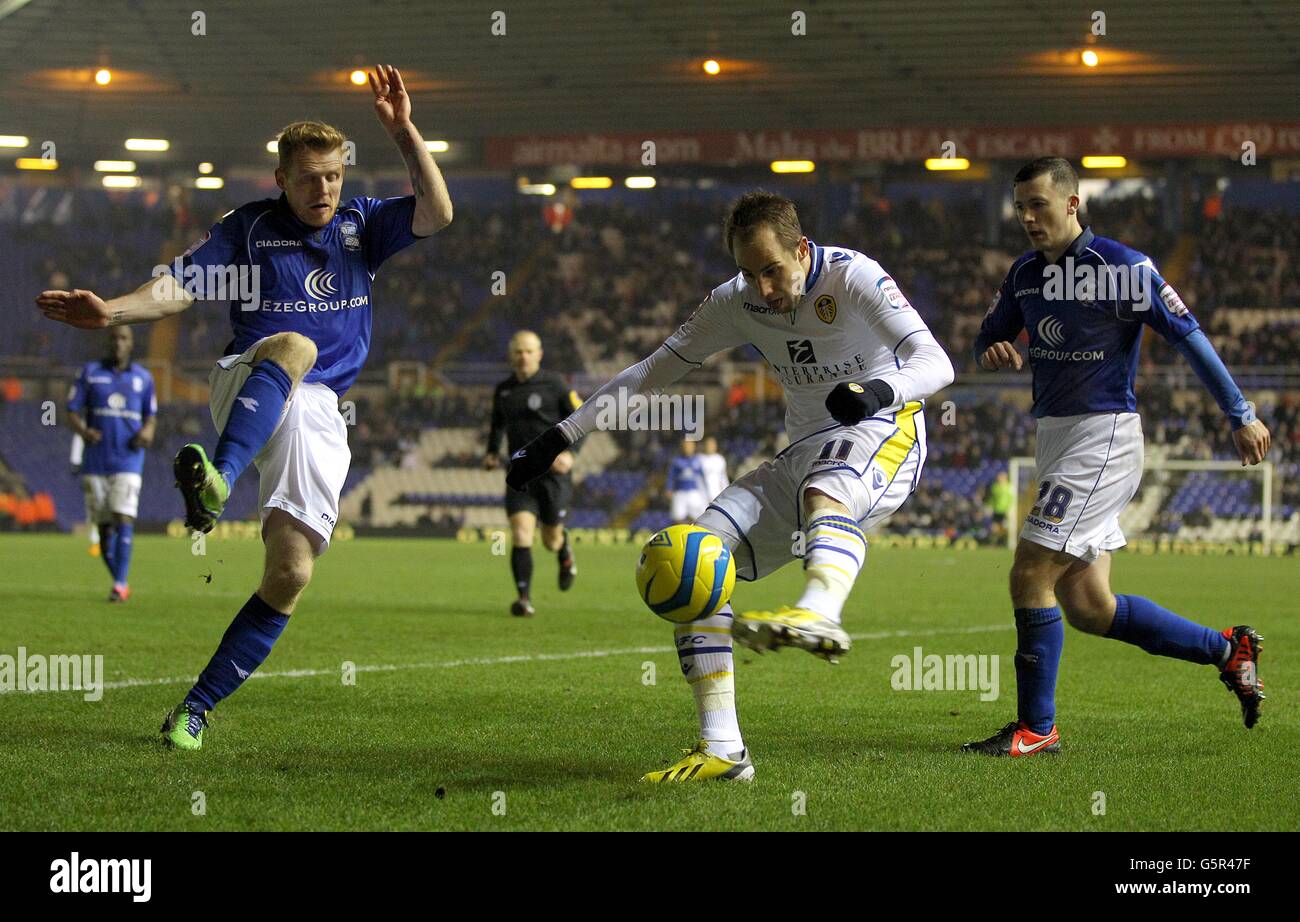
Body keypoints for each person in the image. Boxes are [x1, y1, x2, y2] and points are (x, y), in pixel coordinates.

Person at [37, 65, 453, 750]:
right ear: (282, 180)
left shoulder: (361, 224)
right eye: (310, 177)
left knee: (290, 574)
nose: (324, 189)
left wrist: (404, 131)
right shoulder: (249, 229)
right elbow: (176, 289)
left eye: (334, 176)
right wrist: (110, 309)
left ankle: (193, 711)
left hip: (319, 413)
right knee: (293, 344)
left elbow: (438, 214)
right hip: (250, 377)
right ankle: (220, 478)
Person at [508, 190, 954, 781]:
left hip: (885, 429)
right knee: (693, 561)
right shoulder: (736, 301)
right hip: (800, 450)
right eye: (749, 273)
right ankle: (723, 749)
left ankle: (820, 611)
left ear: (802, 248)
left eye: (773, 270)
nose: (763, 288)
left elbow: (936, 362)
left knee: (828, 487)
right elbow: (648, 373)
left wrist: (875, 392)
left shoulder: (853, 276)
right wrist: (562, 435)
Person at [966, 157, 1271, 757]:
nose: (1027, 218)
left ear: (1073, 203)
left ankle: (1037, 729)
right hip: (1055, 437)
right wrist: (993, 348)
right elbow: (986, 337)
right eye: (1020, 207)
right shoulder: (1025, 273)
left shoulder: (1124, 267)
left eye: (1039, 205)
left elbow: (1189, 335)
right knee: (1088, 606)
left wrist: (1241, 413)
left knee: (1030, 572)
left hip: (1101, 436)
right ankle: (1226, 649)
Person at [484, 331, 580, 616]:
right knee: (521, 532)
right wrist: (491, 452)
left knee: (551, 540)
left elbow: (583, 415)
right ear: (511, 356)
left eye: (528, 351)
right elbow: (497, 425)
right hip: (521, 473)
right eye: (517, 352)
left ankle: (564, 552)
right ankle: (523, 599)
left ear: (539, 354)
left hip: (553, 476)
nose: (523, 356)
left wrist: (571, 454)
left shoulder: (556, 384)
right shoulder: (503, 390)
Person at [66, 326, 156, 600]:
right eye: (114, 338)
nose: (118, 343)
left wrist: (147, 432)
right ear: (108, 342)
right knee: (105, 529)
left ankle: (119, 583)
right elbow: (70, 410)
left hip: (129, 460)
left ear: (131, 344)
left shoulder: (143, 378)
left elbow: (150, 416)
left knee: (123, 517)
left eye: (124, 338)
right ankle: (120, 580)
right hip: (95, 461)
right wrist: (84, 432)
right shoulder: (90, 373)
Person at [666, 439, 708, 523]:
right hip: (680, 492)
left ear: (694, 447)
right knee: (678, 518)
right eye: (685, 446)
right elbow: (671, 477)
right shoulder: (676, 461)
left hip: (694, 492)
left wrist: (705, 491)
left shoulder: (698, 460)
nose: (687, 448)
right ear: (682, 447)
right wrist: (669, 489)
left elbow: (702, 477)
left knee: (697, 518)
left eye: (690, 446)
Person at [698, 435, 730, 501]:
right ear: (704, 445)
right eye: (708, 444)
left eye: (712, 444)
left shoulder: (720, 459)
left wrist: (727, 493)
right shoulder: (699, 459)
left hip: (716, 494)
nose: (710, 446)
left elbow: (723, 478)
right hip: (701, 496)